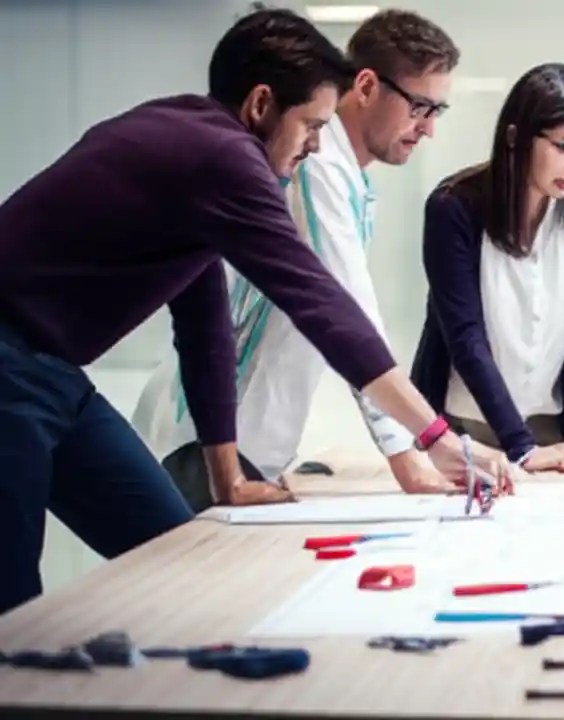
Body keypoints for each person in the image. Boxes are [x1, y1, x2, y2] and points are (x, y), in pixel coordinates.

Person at [0, 7, 509, 617]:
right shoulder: (225, 157)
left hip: (52, 373)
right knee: (13, 611)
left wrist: (227, 479)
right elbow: (321, 303)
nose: (318, 144)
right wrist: (433, 437)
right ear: (261, 104)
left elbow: (203, 320)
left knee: (178, 553)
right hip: (8, 368)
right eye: (312, 125)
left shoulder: (196, 151)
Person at [132, 9, 468, 512]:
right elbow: (348, 314)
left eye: (437, 112)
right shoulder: (317, 164)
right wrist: (411, 448)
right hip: (207, 441)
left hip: (244, 440)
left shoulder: (346, 174)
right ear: (368, 85)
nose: (427, 129)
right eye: (420, 106)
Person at [409, 63, 564, 473]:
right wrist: (519, 448)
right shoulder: (453, 208)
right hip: (461, 434)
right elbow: (465, 340)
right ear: (515, 137)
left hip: (547, 433)